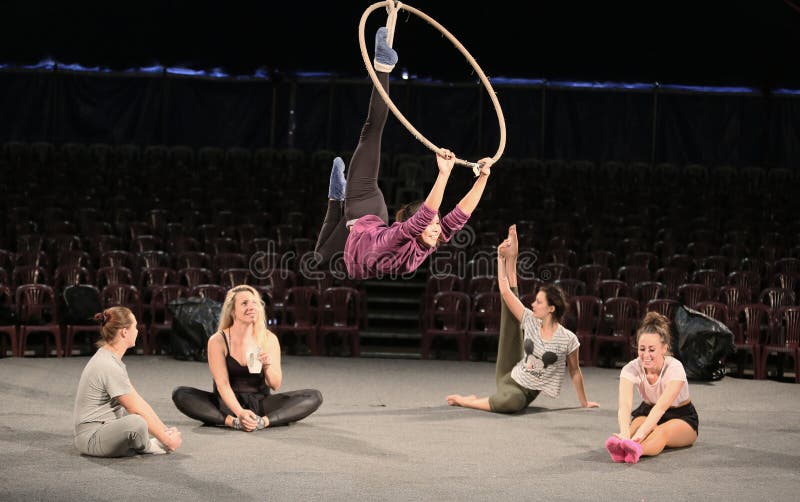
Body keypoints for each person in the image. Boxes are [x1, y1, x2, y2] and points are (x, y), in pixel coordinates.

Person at [313, 26, 494, 279]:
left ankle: (336, 197)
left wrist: (445, 175)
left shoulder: (399, 237)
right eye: (434, 223)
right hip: (364, 212)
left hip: (361, 245)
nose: (436, 228)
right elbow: (461, 215)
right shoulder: (413, 235)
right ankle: (383, 67)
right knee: (371, 131)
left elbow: (425, 217)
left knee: (319, 258)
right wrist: (483, 177)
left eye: (431, 224)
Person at [446, 225, 599, 413]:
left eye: (539, 302)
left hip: (523, 393)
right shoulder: (531, 320)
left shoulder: (569, 339)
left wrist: (584, 402)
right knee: (511, 308)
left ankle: (471, 400)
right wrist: (501, 258)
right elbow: (505, 292)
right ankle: (465, 401)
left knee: (513, 401)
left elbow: (575, 371)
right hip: (509, 374)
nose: (533, 304)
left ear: (551, 308)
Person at [172, 285, 322, 430]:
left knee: (314, 396)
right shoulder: (218, 340)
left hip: (260, 403)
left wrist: (268, 366)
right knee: (181, 394)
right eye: (244, 303)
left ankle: (262, 422)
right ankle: (233, 422)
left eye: (254, 303)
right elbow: (222, 384)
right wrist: (240, 413)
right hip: (226, 403)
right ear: (232, 311)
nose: (251, 307)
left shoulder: (269, 339)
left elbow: (275, 385)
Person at [73, 306, 182, 457]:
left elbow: (139, 402)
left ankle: (155, 442)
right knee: (136, 422)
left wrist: (165, 431)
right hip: (92, 438)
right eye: (135, 327)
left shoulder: (110, 359)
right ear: (124, 332)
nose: (137, 331)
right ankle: (150, 446)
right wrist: (168, 441)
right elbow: (135, 410)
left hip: (104, 432)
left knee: (138, 420)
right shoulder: (108, 365)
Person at [604, 312, 699, 464]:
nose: (646, 354)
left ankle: (636, 451)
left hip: (680, 415)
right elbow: (625, 405)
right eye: (642, 349)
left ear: (664, 348)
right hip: (647, 409)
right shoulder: (630, 368)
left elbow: (661, 407)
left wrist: (640, 436)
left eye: (651, 349)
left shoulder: (675, 368)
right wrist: (625, 432)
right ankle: (623, 448)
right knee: (632, 429)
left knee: (660, 433)